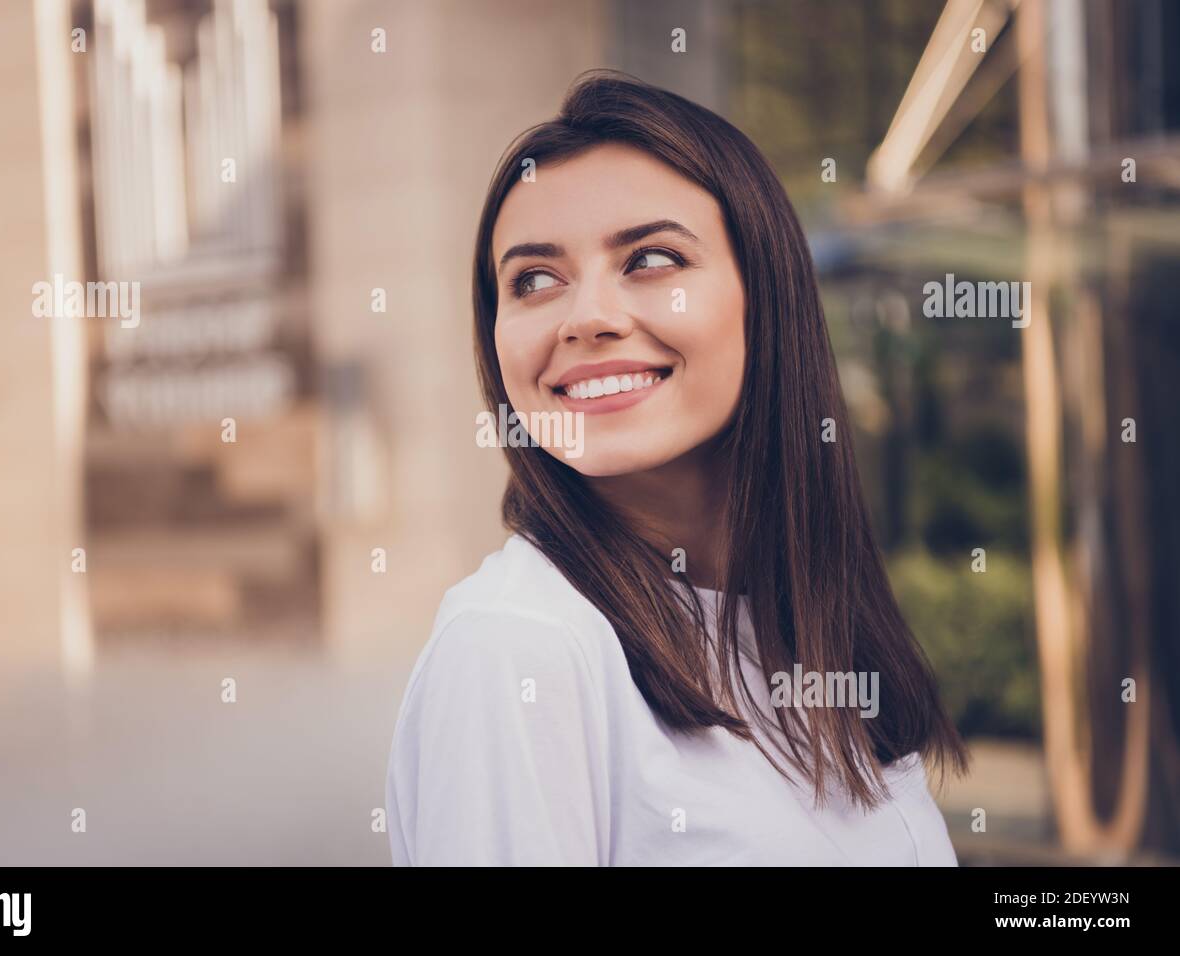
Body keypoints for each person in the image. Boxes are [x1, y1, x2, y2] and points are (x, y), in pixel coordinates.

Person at [385, 70, 968, 866]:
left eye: (651, 259)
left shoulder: (803, 624)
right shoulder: (518, 648)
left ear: (767, 296)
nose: (587, 317)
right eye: (534, 280)